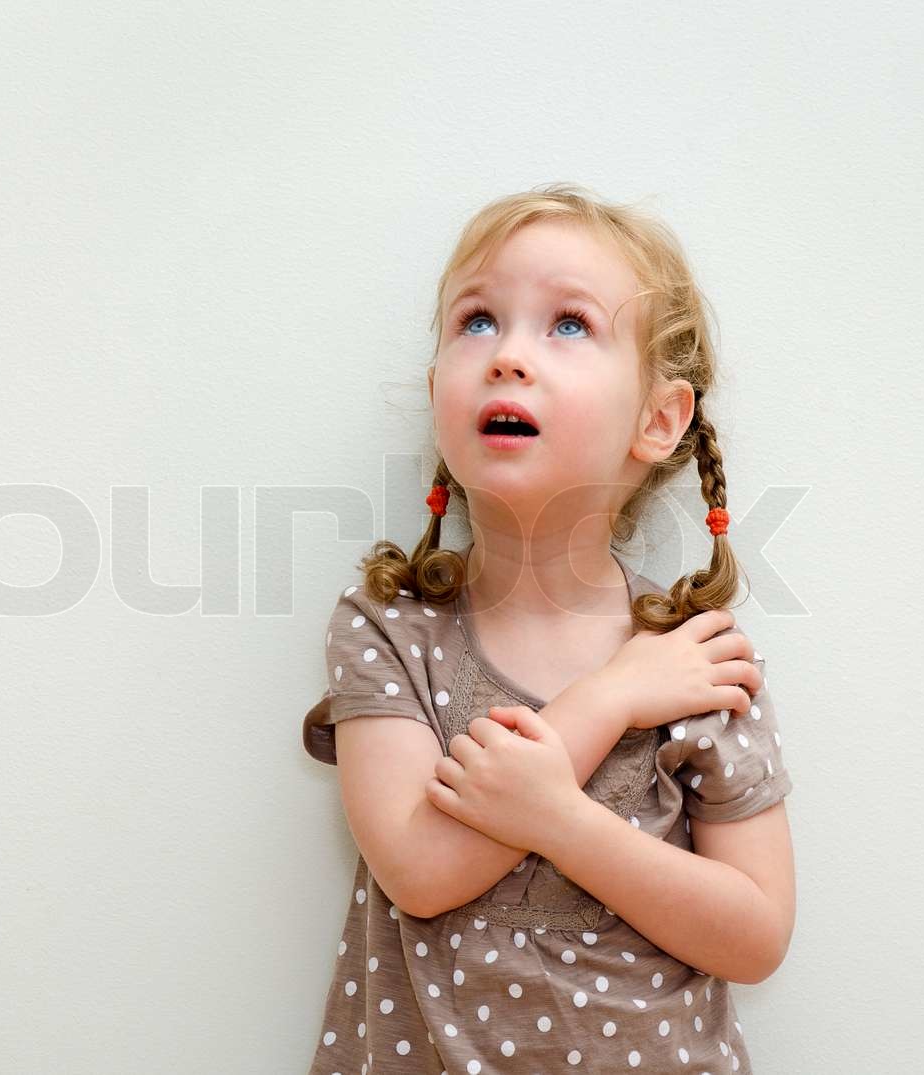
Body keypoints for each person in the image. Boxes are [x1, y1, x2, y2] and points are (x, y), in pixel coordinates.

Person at [300, 183, 796, 1073]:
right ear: (436, 391)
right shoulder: (389, 630)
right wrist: (607, 700)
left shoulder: (694, 656)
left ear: (658, 418)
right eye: (478, 321)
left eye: (568, 324)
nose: (507, 356)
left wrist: (560, 820)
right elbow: (417, 867)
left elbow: (756, 935)